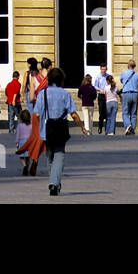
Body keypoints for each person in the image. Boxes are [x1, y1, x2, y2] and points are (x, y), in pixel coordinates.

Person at [37, 67, 89, 196]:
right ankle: (54, 183)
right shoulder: (65, 94)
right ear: (61, 80)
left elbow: (37, 114)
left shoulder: (42, 94)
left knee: (49, 156)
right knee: (59, 155)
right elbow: (73, 114)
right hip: (60, 128)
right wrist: (82, 126)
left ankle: (54, 182)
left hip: (47, 129)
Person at [118, 59, 138, 135]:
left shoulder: (124, 73)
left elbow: (121, 81)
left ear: (128, 65)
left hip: (126, 93)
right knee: (133, 113)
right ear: (135, 66)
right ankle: (132, 130)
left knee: (125, 112)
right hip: (135, 93)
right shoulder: (137, 74)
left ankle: (128, 125)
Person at [14, 109, 33, 174]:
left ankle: (24, 166)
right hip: (29, 142)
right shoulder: (31, 125)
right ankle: (27, 168)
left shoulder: (19, 125)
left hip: (21, 142)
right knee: (28, 157)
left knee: (21, 156)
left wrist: (16, 142)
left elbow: (17, 135)